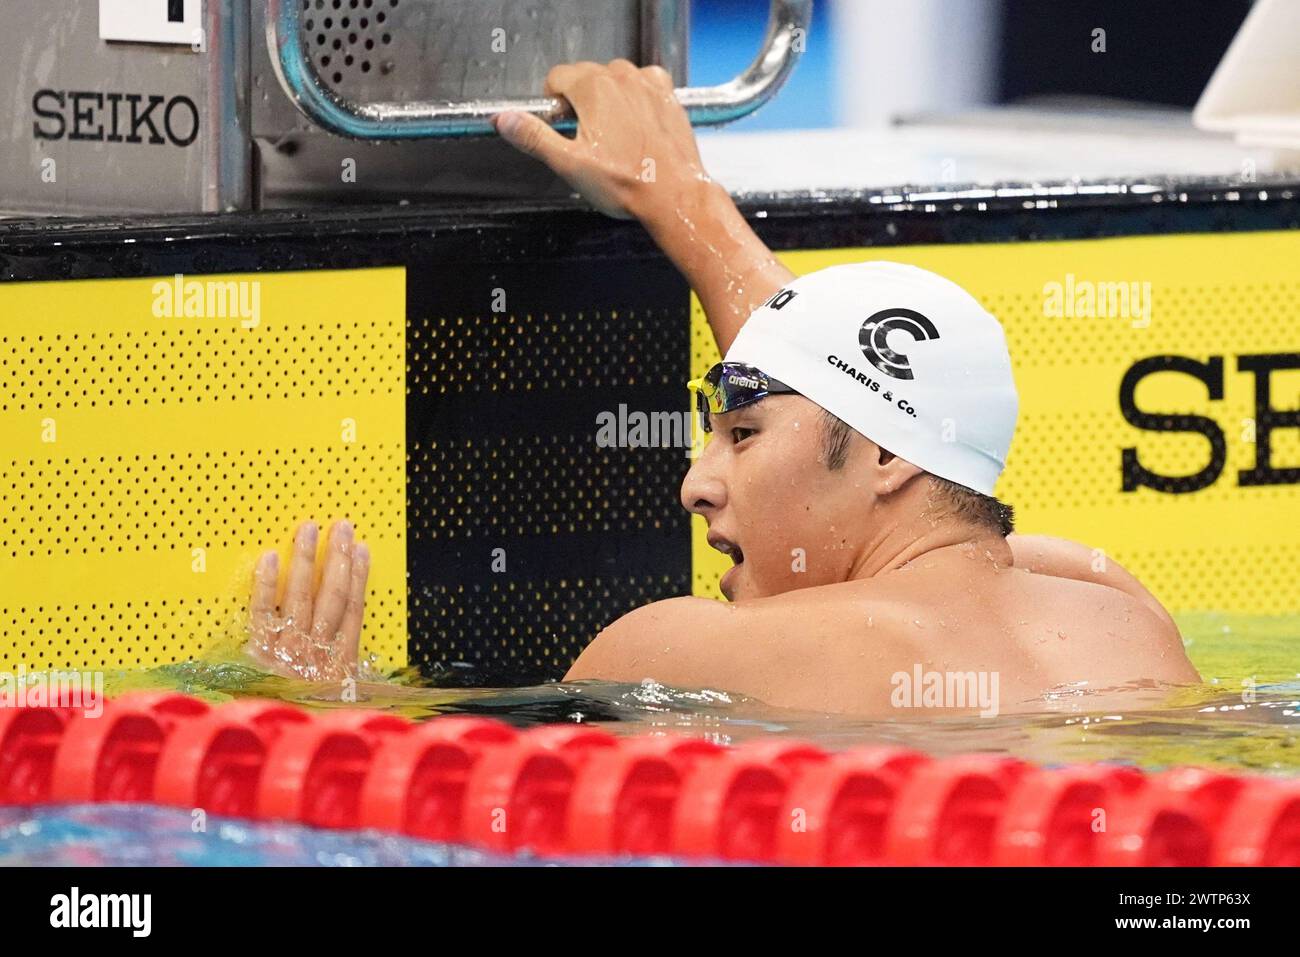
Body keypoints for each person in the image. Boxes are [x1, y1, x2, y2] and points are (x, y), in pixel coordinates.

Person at [246, 61, 1199, 714]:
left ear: (887, 457)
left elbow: (464, 784)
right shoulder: (1122, 617)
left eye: (739, 434)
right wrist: (684, 201)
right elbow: (856, 412)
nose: (694, 483)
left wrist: (318, 704)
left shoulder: (682, 652)